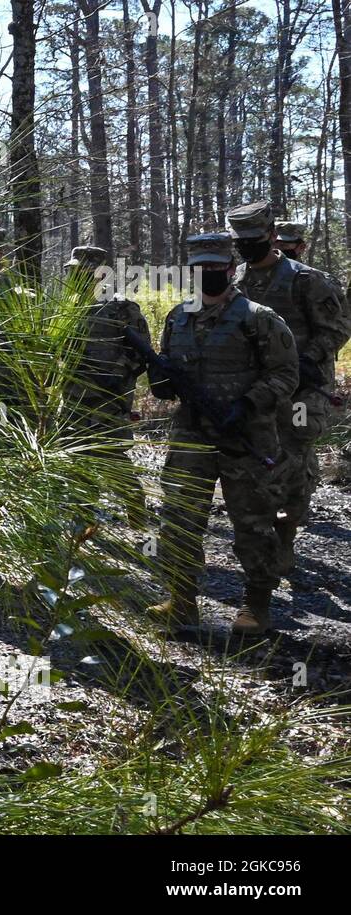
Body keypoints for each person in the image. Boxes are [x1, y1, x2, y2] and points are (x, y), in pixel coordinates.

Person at [146, 232, 298, 635]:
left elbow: (286, 375)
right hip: (191, 435)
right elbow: (167, 375)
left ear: (231, 269)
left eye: (216, 267)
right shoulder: (178, 317)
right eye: (199, 268)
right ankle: (181, 602)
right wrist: (160, 380)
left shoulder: (259, 318)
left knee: (253, 521)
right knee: (178, 519)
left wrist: (247, 404)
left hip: (245, 437)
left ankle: (255, 605)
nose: (208, 274)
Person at [226, 202, 350, 578]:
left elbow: (337, 327)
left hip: (303, 392)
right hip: (257, 390)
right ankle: (266, 535)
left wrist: (304, 360)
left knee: (293, 457)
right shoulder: (237, 281)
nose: (247, 246)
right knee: (258, 464)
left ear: (271, 236)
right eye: (240, 241)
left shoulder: (306, 280)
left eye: (254, 239)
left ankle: (286, 537)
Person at [62, 245, 152, 527]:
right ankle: (82, 524)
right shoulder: (66, 309)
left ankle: (137, 517)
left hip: (108, 400)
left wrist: (113, 377)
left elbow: (142, 354)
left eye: (85, 273)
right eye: (74, 272)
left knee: (112, 458)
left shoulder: (121, 308)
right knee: (77, 461)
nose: (78, 278)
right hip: (73, 401)